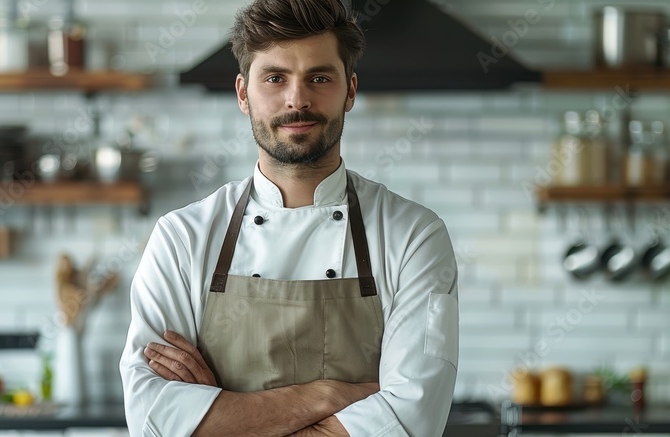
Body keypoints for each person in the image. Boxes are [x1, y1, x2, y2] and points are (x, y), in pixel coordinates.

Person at [119, 0, 458, 435]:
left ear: (350, 91)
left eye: (319, 78)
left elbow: (412, 421)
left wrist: (220, 416)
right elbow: (151, 419)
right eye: (275, 78)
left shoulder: (413, 236)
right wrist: (328, 395)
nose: (297, 99)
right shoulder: (182, 239)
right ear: (244, 94)